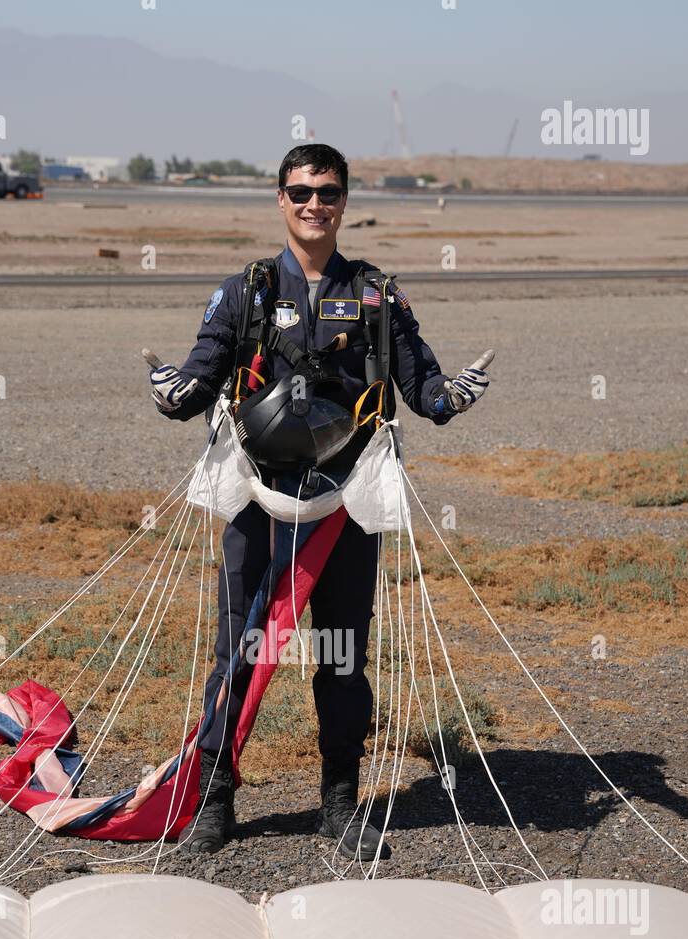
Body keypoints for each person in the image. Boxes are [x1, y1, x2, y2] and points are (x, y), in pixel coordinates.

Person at [147, 142, 492, 858]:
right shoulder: (245, 289)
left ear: (343, 202)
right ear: (280, 199)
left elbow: (421, 386)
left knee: (342, 657)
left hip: (344, 506)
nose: (314, 204)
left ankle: (339, 804)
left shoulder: (375, 294)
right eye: (301, 192)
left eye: (327, 192)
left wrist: (448, 395)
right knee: (238, 649)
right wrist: (174, 394)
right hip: (258, 501)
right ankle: (214, 800)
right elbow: (201, 375)